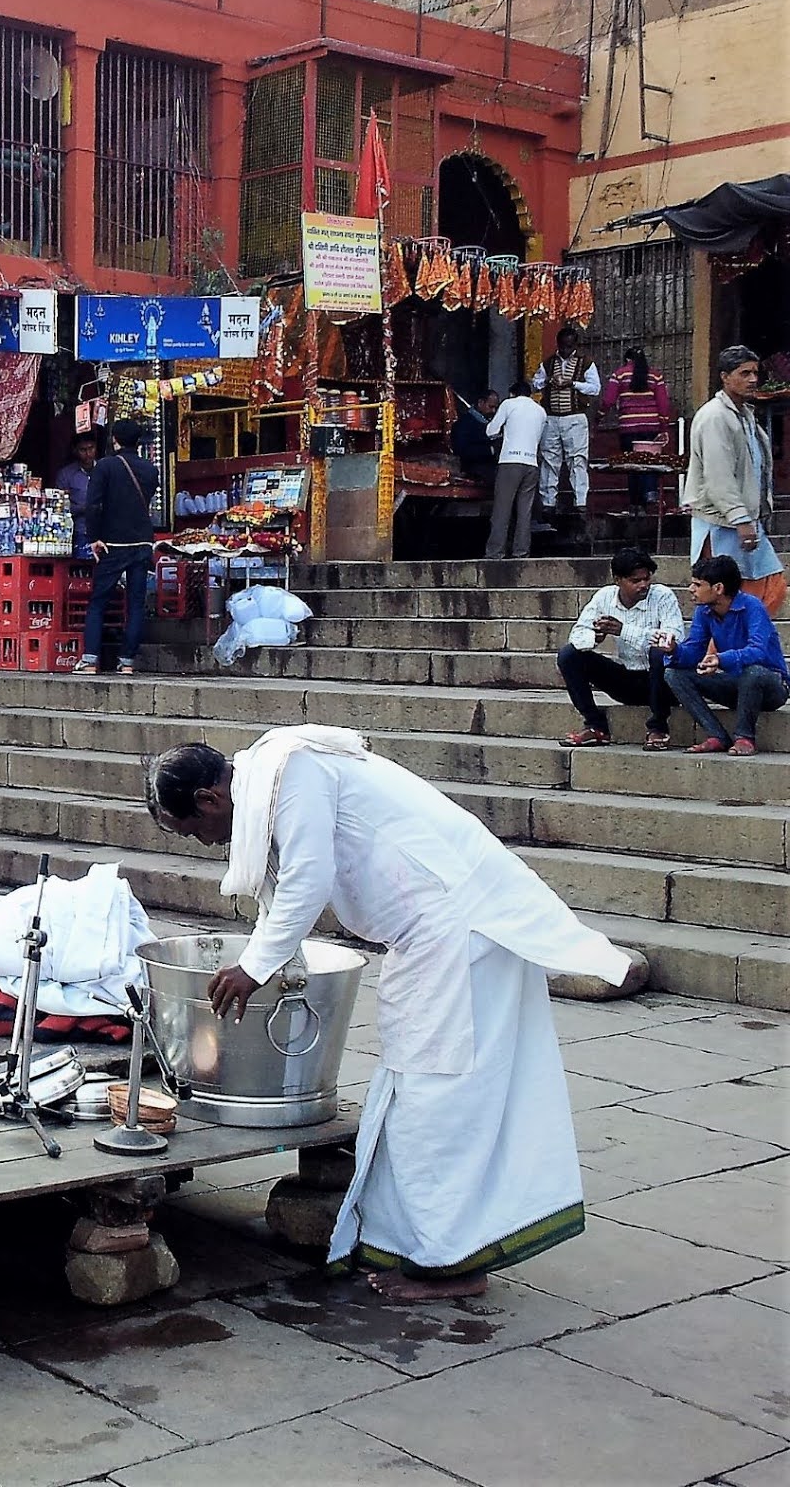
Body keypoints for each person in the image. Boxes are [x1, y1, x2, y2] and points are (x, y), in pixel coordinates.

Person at [145, 731, 630, 1302]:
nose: (203, 842)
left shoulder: (293, 772)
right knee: (415, 1086)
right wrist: (271, 962)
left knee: (435, 1095)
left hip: (455, 931)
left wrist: (253, 970)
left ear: (208, 799)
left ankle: (449, 1266)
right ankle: (429, 1249)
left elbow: (308, 877)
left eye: (192, 830)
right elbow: (280, 892)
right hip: (430, 939)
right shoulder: (276, 782)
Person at [684, 345, 783, 616]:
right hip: (721, 523)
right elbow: (719, 476)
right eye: (745, 373)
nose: (753, 379)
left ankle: (732, 652)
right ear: (725, 377)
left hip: (741, 520)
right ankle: (716, 655)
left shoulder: (744, 414)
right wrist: (740, 519)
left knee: (769, 589)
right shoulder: (715, 416)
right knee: (726, 601)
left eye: (755, 373)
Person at [556, 548, 685, 749]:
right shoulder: (605, 596)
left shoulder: (662, 596)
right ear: (618, 580)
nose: (643, 585)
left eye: (646, 579)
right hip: (629, 680)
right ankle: (596, 726)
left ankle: (658, 728)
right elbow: (577, 634)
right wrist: (595, 636)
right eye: (635, 581)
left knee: (659, 651)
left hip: (666, 683)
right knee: (568, 655)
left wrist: (624, 631)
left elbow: (671, 640)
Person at [661, 553, 789, 757]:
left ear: (718, 588)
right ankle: (716, 735)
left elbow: (757, 651)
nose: (691, 589)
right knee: (673, 674)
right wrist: (674, 650)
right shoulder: (704, 611)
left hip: (771, 686)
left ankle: (744, 737)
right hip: (735, 684)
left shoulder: (752, 607)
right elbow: (694, 651)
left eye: (697, 584)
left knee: (753, 672)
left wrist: (721, 658)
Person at [76, 419, 158, 676]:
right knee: (135, 603)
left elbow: (93, 504)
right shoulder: (150, 470)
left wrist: (94, 537)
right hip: (143, 541)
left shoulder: (106, 466)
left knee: (99, 600)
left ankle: (90, 660)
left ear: (115, 439)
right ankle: (128, 662)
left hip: (113, 543)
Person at [532, 325, 600, 519]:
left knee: (577, 459)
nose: (565, 350)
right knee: (549, 459)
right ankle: (548, 503)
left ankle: (581, 502)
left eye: (569, 346)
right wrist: (548, 381)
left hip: (575, 417)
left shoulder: (586, 363)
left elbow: (595, 388)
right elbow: (535, 383)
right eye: (562, 346)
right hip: (551, 418)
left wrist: (572, 384)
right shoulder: (548, 363)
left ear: (575, 345)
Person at [601, 348, 671, 512]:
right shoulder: (655, 376)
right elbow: (663, 404)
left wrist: (599, 417)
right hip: (651, 428)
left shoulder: (619, 375)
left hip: (628, 429)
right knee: (650, 463)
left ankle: (635, 503)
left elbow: (608, 400)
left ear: (627, 360)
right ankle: (651, 494)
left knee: (632, 465)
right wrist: (664, 427)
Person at [484, 380, 546, 559]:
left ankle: (495, 552)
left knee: (502, 510)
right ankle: (521, 552)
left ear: (512, 393)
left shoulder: (508, 404)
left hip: (510, 461)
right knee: (524, 512)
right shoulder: (540, 411)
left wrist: (503, 432)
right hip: (531, 464)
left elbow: (491, 431)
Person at [55, 433, 101, 552]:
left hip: (104, 532)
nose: (88, 453)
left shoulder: (104, 470)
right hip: (78, 531)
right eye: (83, 450)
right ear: (75, 451)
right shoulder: (66, 474)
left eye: (91, 448)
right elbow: (59, 507)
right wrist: (83, 508)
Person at [451, 391, 499, 489]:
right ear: (481, 403)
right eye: (490, 407)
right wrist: (490, 450)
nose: (493, 411)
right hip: (473, 469)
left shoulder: (493, 423)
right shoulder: (464, 424)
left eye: (495, 408)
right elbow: (461, 451)